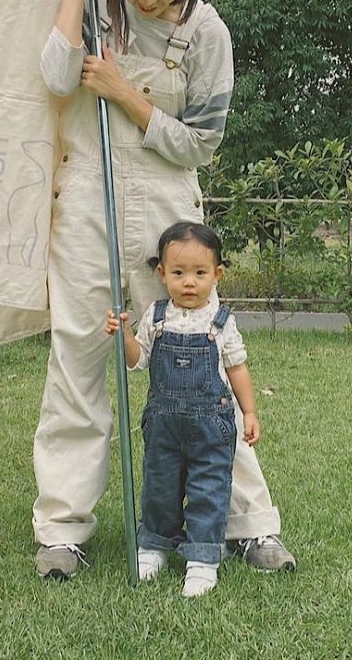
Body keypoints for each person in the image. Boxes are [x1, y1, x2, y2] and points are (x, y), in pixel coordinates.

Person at [33, 0, 295, 579]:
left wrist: (124, 92)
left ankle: (248, 524)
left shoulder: (208, 34)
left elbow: (201, 145)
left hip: (167, 209)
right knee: (79, 360)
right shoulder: (93, 7)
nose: (145, 1)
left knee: (200, 365)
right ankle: (61, 530)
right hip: (88, 194)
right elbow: (58, 75)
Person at [105, 221, 257, 597]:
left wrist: (249, 412)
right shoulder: (156, 318)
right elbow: (136, 361)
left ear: (217, 275)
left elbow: (237, 367)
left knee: (209, 487)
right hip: (163, 425)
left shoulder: (222, 322)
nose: (189, 282)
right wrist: (124, 335)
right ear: (162, 274)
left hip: (211, 427)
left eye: (200, 273)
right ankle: (154, 545)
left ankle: (203, 558)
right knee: (160, 485)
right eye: (178, 273)